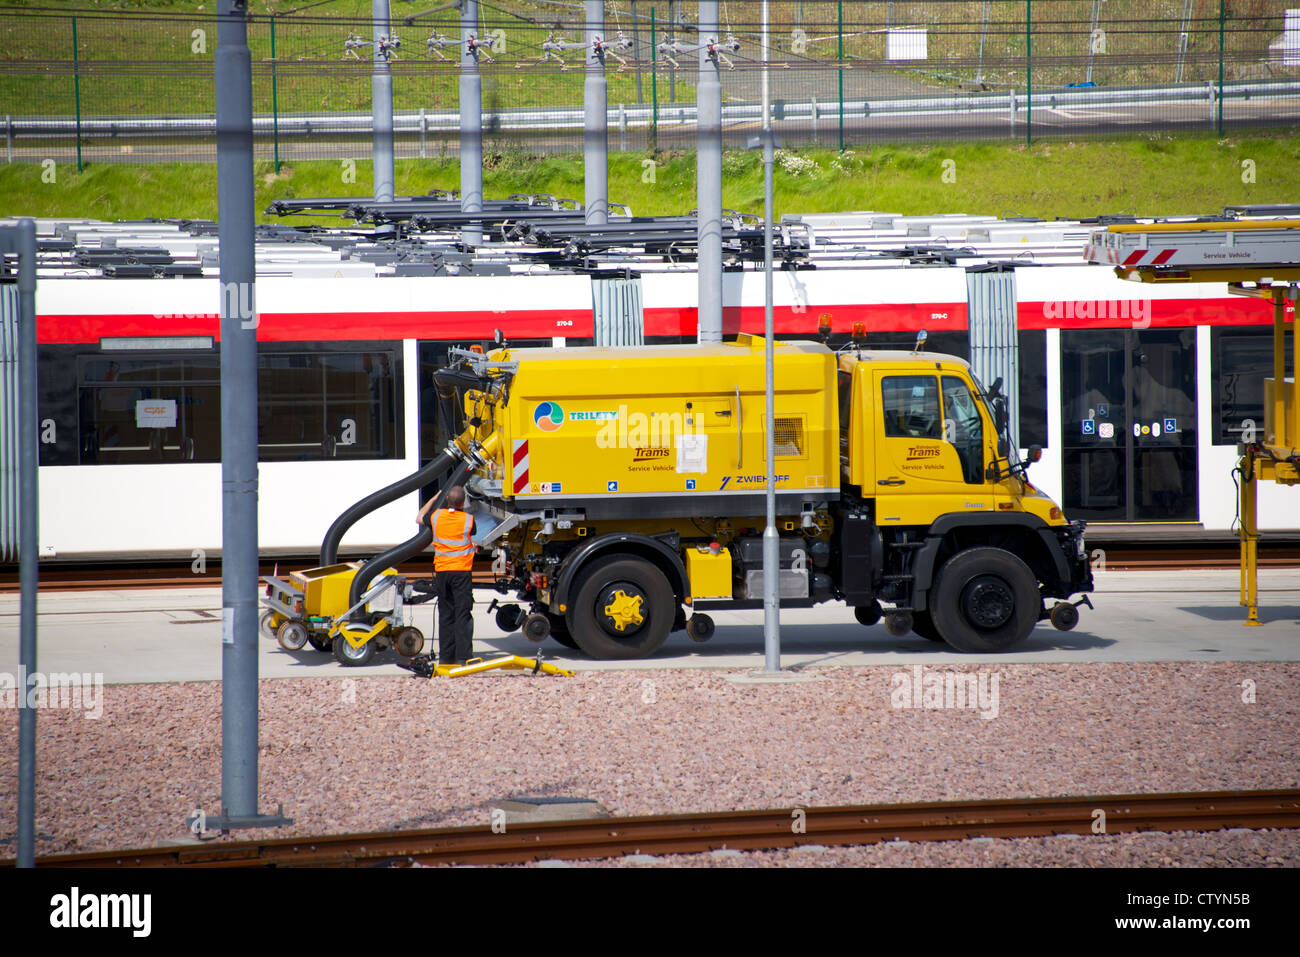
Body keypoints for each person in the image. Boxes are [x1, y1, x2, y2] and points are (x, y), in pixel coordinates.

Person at [417, 485, 477, 665]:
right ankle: (464, 657)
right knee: (463, 614)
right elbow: (472, 533)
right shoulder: (468, 519)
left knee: (446, 615)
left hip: (442, 572)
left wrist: (434, 499)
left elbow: (419, 517)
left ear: (447, 500)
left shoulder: (436, 517)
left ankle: (446, 657)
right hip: (461, 572)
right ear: (463, 502)